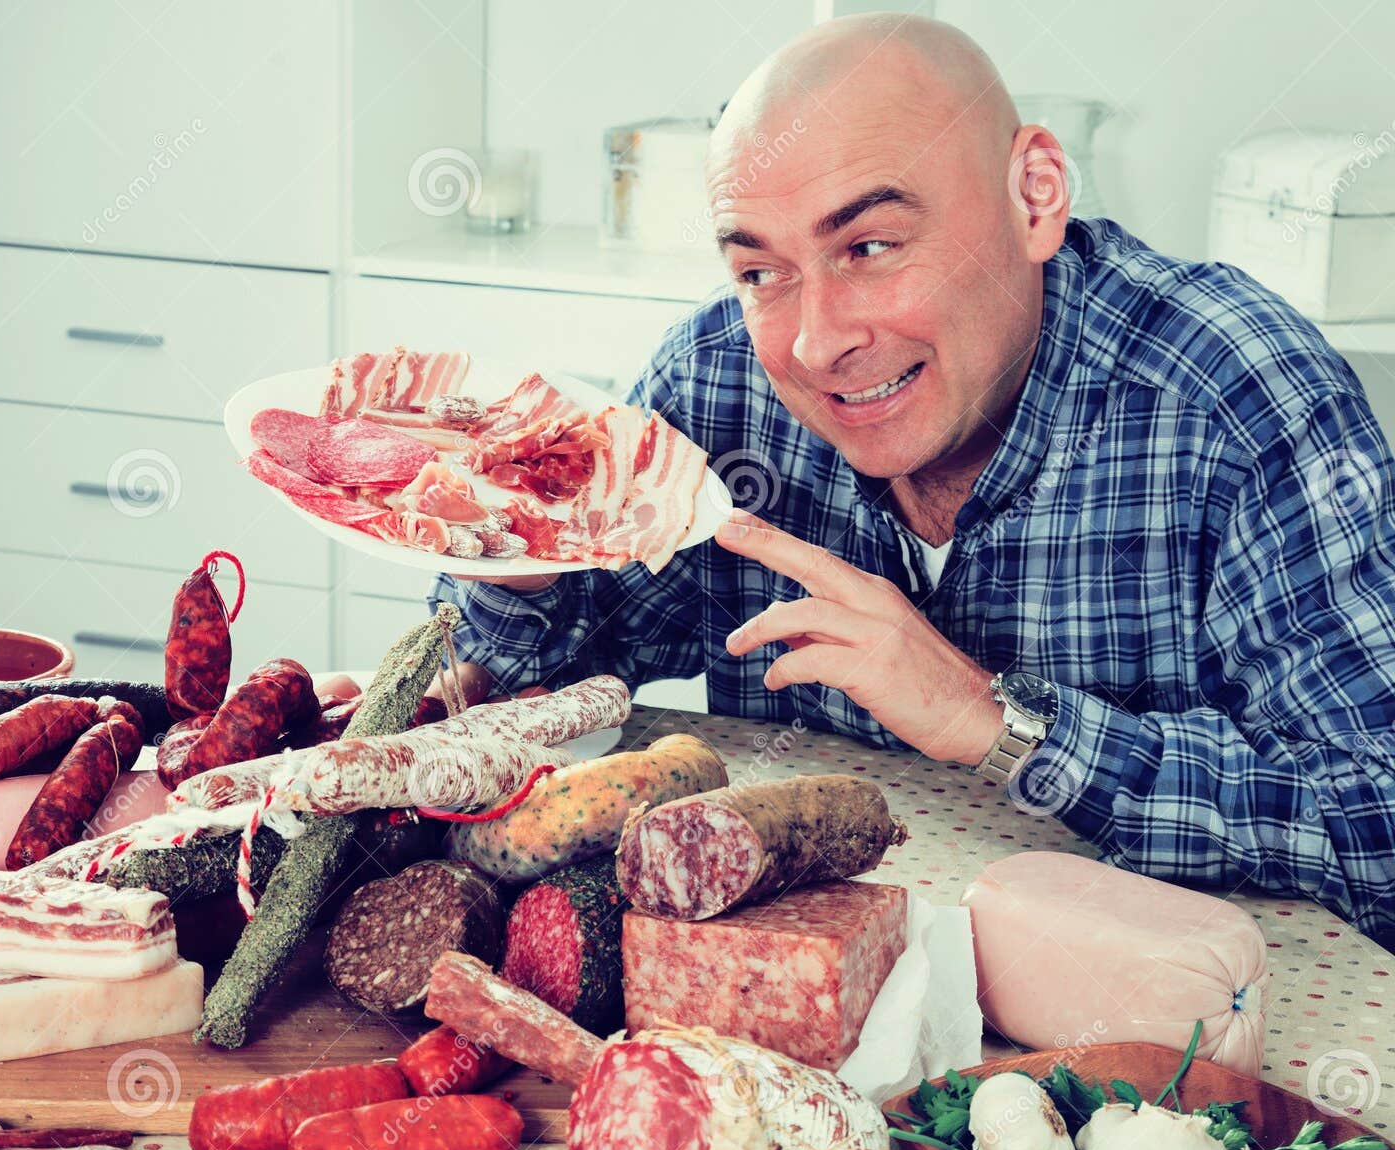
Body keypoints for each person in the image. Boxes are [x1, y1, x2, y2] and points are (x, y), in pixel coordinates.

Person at [429, 14, 1395, 944]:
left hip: (1178, 1036)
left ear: (1035, 195)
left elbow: (1377, 825)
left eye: (871, 246)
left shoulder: (1237, 399)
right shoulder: (717, 381)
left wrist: (997, 720)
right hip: (796, 1006)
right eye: (762, 271)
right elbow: (545, 690)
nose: (818, 341)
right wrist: (517, 559)